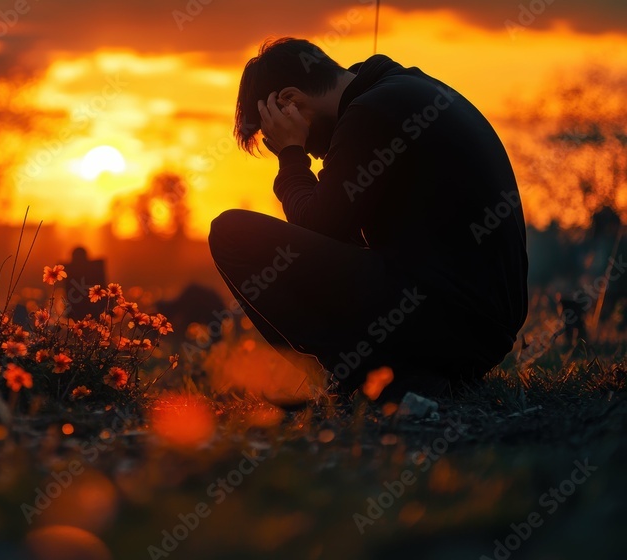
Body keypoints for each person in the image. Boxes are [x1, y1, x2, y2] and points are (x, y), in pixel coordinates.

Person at [208, 38, 528, 399]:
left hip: (453, 325)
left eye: (273, 138)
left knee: (230, 234)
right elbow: (336, 234)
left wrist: (292, 156)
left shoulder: (371, 112)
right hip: (473, 326)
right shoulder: (399, 92)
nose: (312, 152)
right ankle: (381, 377)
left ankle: (364, 381)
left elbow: (317, 225)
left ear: (290, 102)